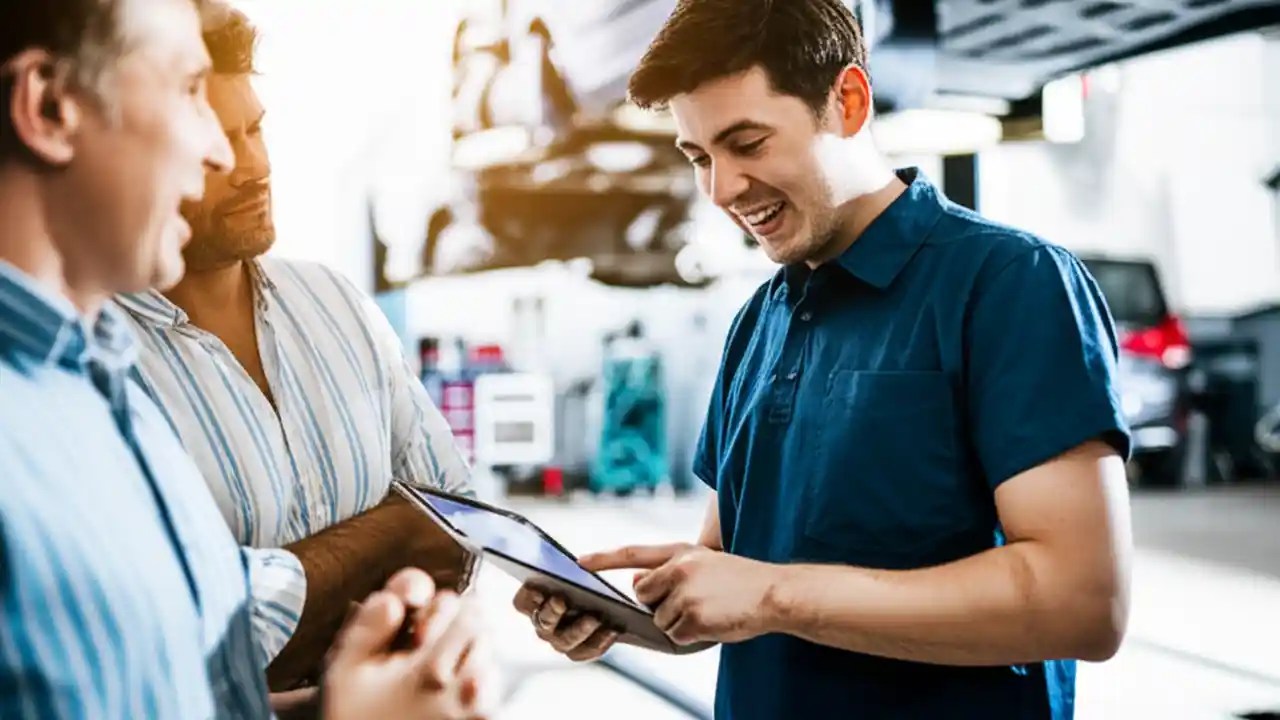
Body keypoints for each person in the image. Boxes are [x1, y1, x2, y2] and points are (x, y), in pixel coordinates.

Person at [515, 1, 1133, 718]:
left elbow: (1084, 601)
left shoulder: (1010, 283)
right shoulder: (757, 322)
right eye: (699, 158)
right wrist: (630, 616)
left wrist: (774, 595)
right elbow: (735, 579)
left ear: (847, 100)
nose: (721, 190)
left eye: (747, 142)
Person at [0, 1, 493, 718]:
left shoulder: (94, 381)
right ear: (49, 106)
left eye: (247, 124)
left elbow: (182, 693)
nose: (227, 156)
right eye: (186, 89)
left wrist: (338, 707)